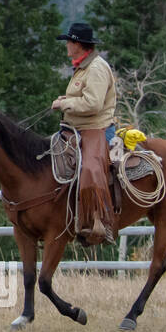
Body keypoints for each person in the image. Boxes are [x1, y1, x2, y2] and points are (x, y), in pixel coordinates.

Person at [50, 21, 117, 243]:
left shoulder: (96, 68)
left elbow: (94, 104)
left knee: (89, 168)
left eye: (69, 41)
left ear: (78, 44)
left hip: (95, 128)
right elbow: (81, 97)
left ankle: (98, 223)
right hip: (76, 128)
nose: (67, 45)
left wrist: (65, 104)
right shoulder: (82, 67)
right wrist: (66, 100)